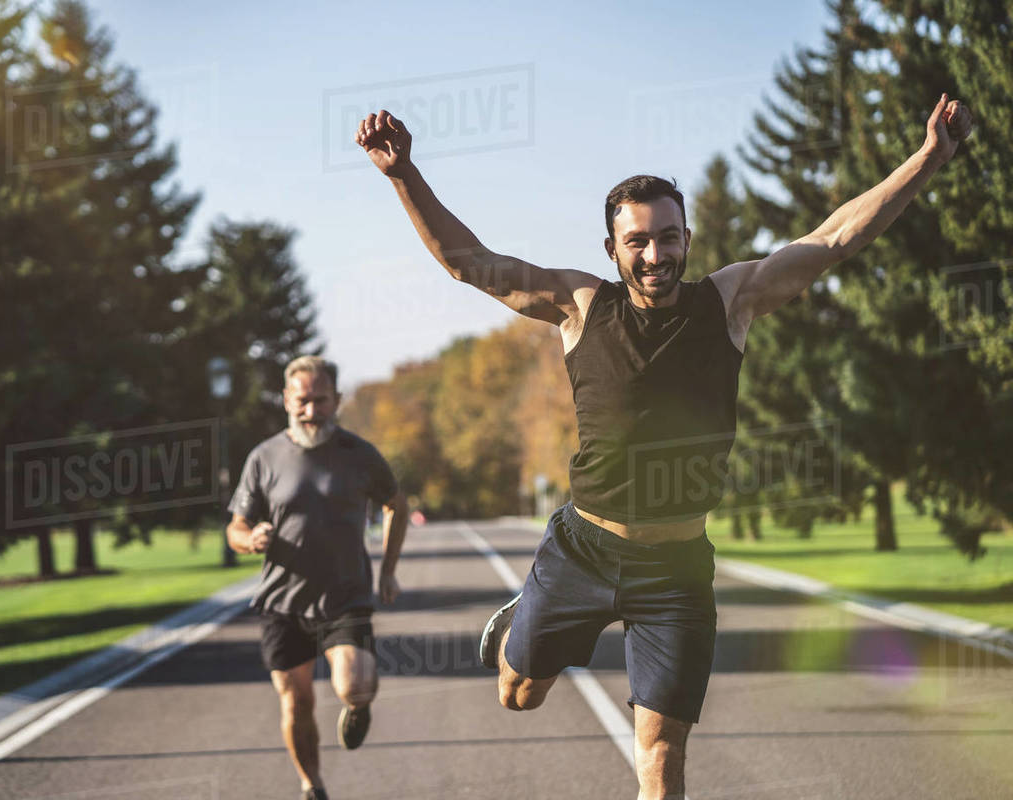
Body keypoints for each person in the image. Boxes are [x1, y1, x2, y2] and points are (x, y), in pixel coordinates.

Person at [355, 94, 972, 798]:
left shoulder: (729, 302)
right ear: (612, 248)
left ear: (686, 237)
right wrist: (404, 173)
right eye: (639, 241)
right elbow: (472, 264)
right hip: (581, 550)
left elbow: (833, 241)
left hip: (676, 570)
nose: (656, 254)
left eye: (669, 237)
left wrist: (928, 158)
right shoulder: (580, 305)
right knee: (518, 694)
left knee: (662, 754)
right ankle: (522, 625)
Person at [227, 355, 409, 800]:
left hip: (345, 596)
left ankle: (357, 705)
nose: (311, 411)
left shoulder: (359, 454)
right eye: (302, 401)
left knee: (356, 685)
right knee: (297, 702)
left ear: (337, 400)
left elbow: (396, 505)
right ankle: (312, 784)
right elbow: (235, 527)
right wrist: (250, 539)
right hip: (281, 603)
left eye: (321, 401)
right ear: (287, 400)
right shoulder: (264, 457)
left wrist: (387, 568)